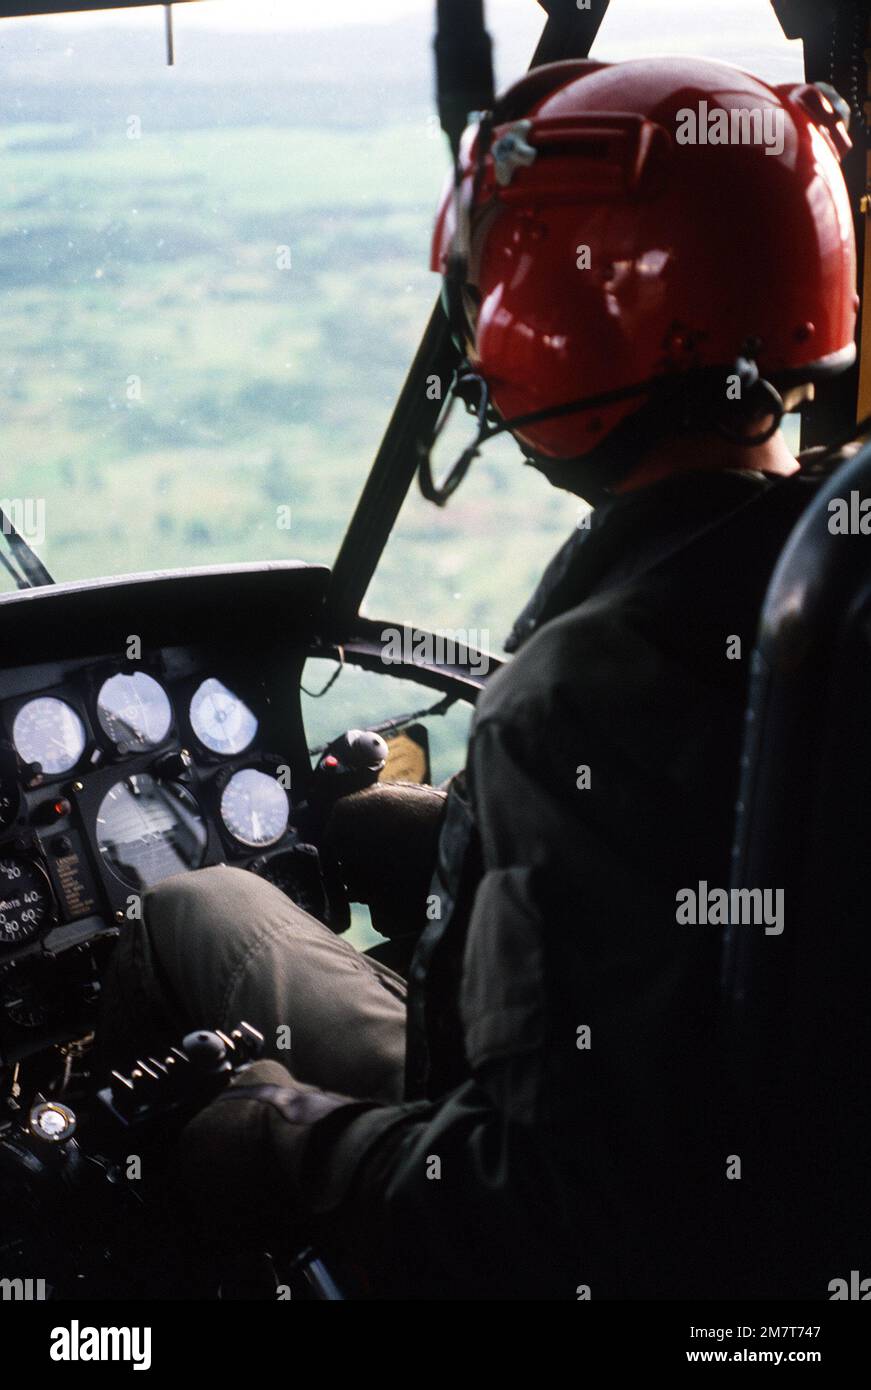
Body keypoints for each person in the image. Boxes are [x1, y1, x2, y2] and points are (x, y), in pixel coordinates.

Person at [100, 56, 858, 1298]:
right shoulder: (827, 559)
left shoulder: (585, 688)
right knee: (312, 853)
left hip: (583, 1210)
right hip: (793, 1181)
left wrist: (282, 1139)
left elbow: (562, 1211)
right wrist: (428, 836)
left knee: (192, 913)